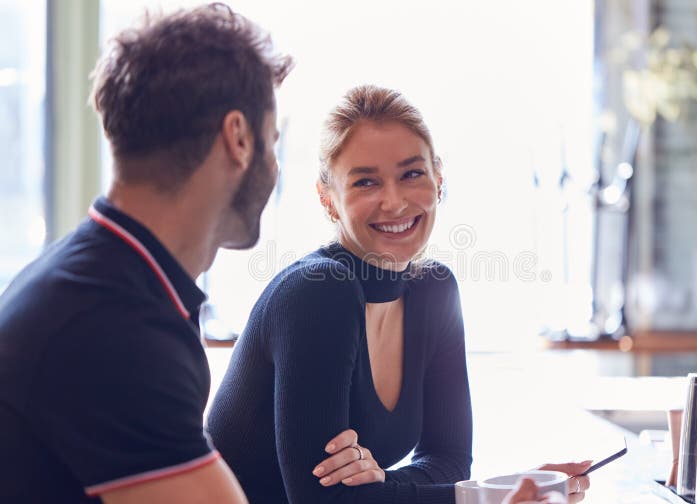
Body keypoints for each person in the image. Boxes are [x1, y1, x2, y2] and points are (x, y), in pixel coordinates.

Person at [207, 85, 592, 504]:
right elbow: (323, 503)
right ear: (328, 199)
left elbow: (449, 462)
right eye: (366, 182)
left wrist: (388, 488)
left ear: (438, 178)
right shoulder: (317, 293)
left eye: (412, 174)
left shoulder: (433, 290)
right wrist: (488, 497)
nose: (393, 202)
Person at [0, 4, 291, 503]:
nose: (275, 166)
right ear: (238, 138)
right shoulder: (113, 325)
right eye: (273, 141)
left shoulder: (101, 280)